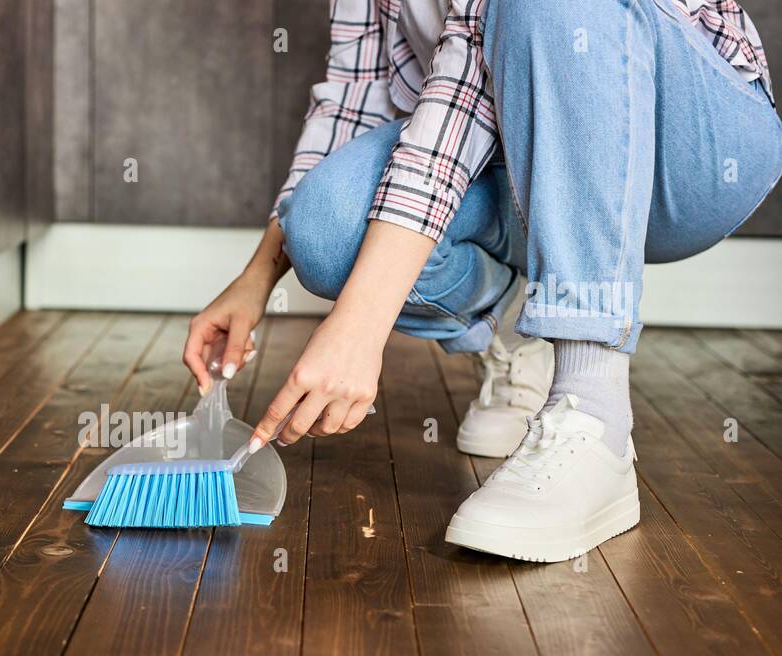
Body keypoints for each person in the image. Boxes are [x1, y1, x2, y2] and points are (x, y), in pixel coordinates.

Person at [183, 0, 781, 563]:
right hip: (517, 162)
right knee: (325, 230)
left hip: (687, 148)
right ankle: (524, 327)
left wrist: (361, 323)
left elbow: (462, 95)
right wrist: (259, 274)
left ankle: (595, 415)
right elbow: (353, 96)